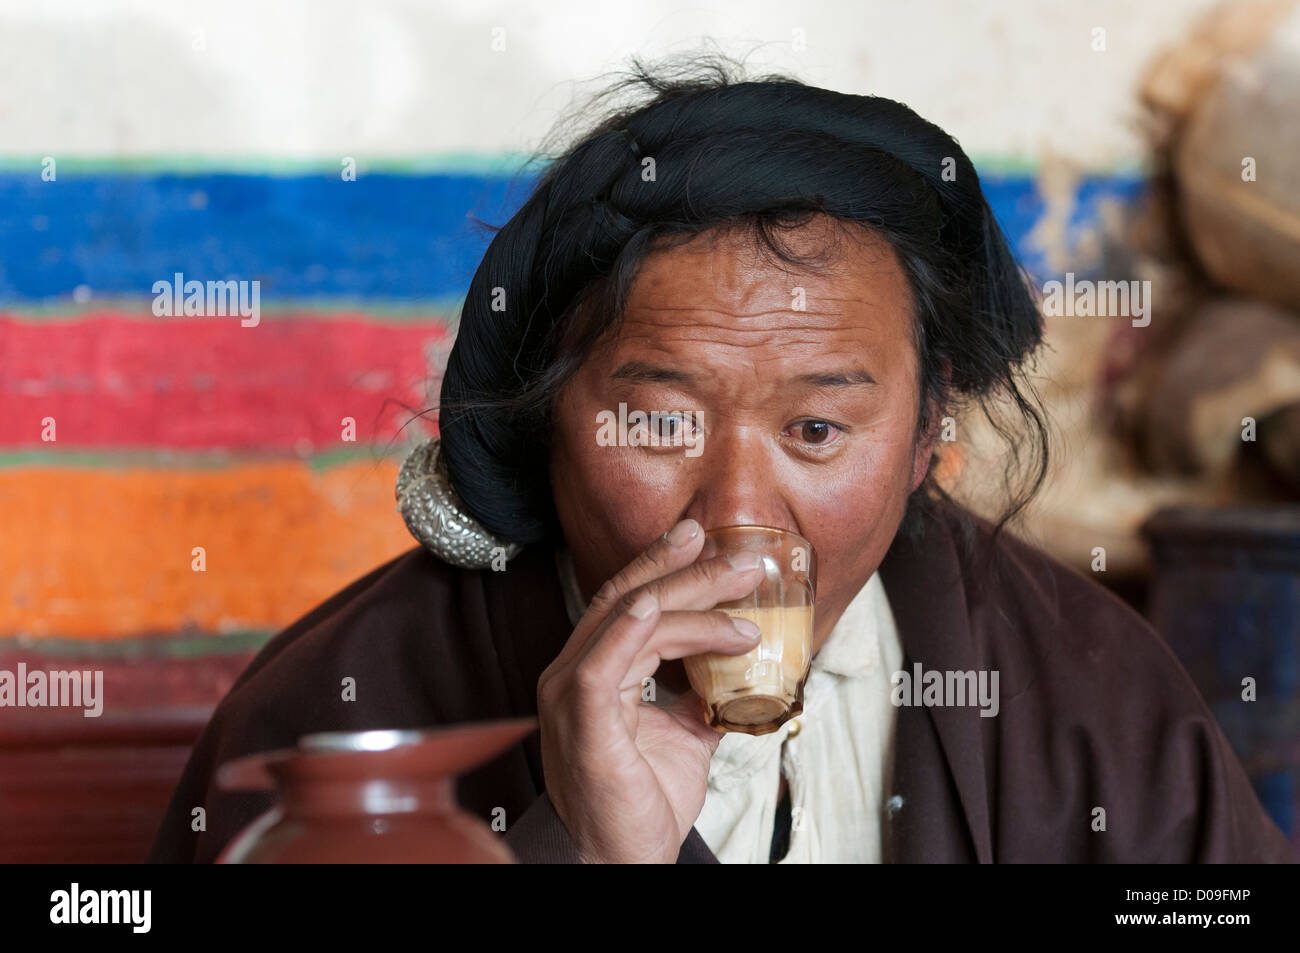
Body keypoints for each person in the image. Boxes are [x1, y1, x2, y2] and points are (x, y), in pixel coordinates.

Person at [148, 56, 1295, 864]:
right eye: (658, 423)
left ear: (923, 438)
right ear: (551, 417)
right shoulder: (347, 715)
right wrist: (585, 850)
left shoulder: (1082, 686)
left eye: (816, 431)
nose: (739, 513)